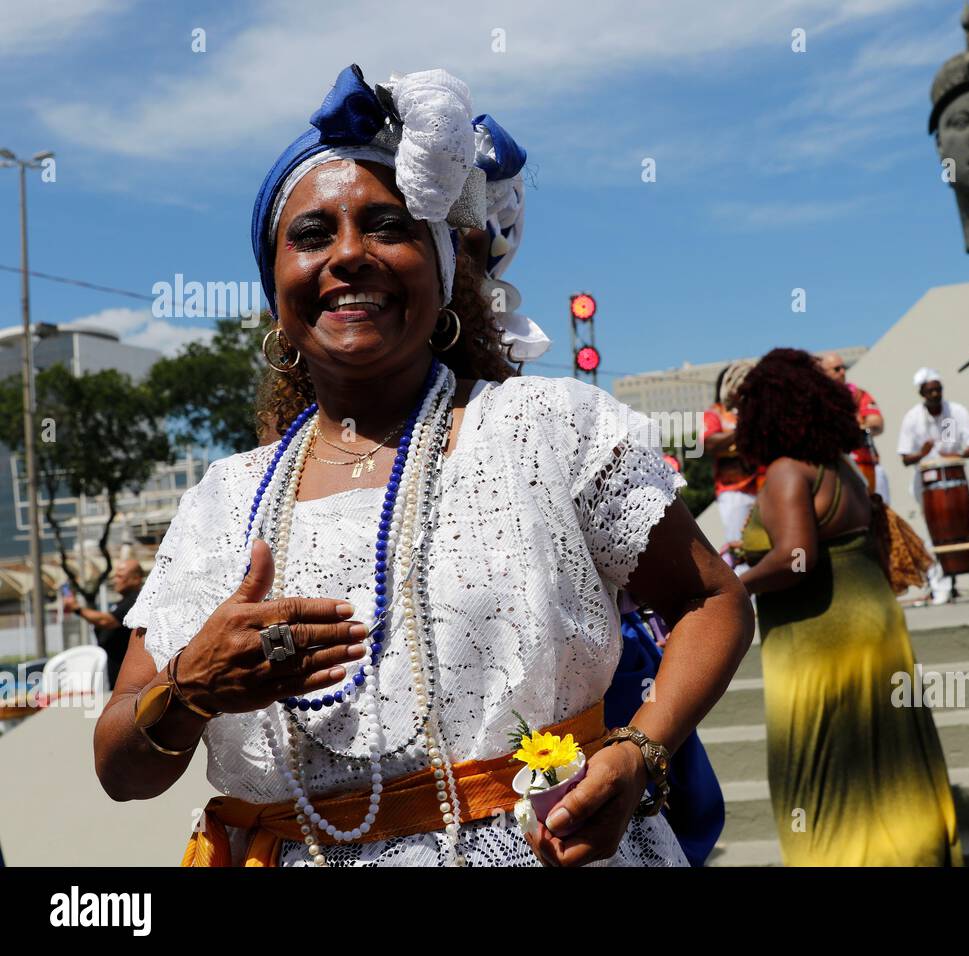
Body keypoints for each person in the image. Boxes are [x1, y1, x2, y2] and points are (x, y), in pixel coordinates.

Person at [92, 64, 753, 868]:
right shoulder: (221, 503)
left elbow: (711, 600)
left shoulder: (549, 429)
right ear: (276, 299)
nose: (348, 255)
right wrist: (191, 687)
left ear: (442, 275)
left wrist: (639, 752)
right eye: (311, 235)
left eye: (386, 225)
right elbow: (119, 772)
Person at [735, 348, 961, 866]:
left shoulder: (788, 473)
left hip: (821, 639)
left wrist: (735, 583)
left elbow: (796, 559)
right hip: (875, 624)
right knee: (888, 758)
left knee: (822, 769)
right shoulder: (841, 467)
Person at [897, 368, 969, 604]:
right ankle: (941, 587)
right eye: (930, 391)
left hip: (956, 480)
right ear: (922, 393)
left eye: (938, 389)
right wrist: (922, 453)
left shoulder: (953, 412)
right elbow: (906, 457)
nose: (935, 394)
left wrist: (957, 453)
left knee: (963, 531)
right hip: (926, 485)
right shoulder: (913, 418)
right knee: (936, 534)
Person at [702, 360, 760, 548]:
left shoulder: (754, 410)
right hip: (733, 491)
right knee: (739, 543)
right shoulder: (715, 412)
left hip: (762, 486)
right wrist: (741, 432)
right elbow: (709, 443)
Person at [820, 351, 889, 503]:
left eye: (844, 367)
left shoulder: (858, 395)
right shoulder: (817, 400)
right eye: (837, 369)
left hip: (865, 466)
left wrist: (858, 428)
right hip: (833, 472)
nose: (843, 372)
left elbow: (877, 424)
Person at [63, 560, 144, 690]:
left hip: (129, 682)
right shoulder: (122, 602)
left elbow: (106, 621)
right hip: (114, 678)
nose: (115, 580)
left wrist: (77, 609)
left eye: (120, 576)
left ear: (136, 579)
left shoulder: (137, 600)